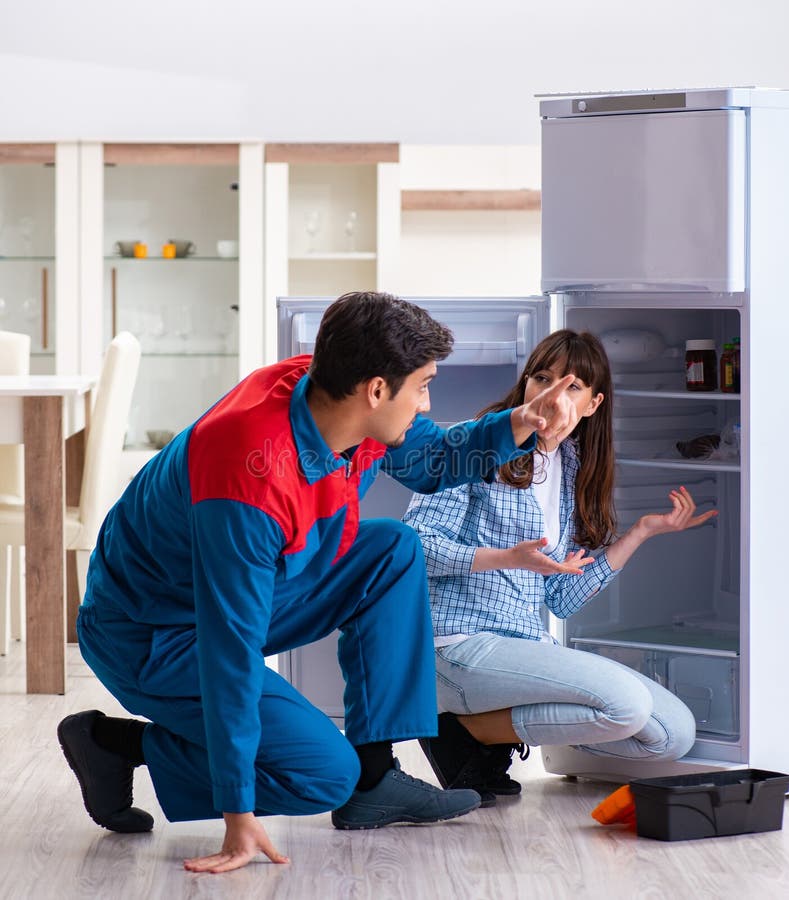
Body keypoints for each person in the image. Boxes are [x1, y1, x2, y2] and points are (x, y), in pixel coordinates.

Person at [57, 292, 580, 874]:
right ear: (377, 390)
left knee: (393, 551)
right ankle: (120, 749)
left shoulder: (339, 395)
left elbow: (430, 460)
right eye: (424, 387)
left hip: (240, 592)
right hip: (153, 633)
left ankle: (376, 781)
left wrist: (520, 422)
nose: (428, 402)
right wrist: (237, 811)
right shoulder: (247, 472)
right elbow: (229, 649)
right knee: (320, 775)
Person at [403, 329, 715, 806]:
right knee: (625, 704)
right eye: (543, 379)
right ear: (527, 385)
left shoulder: (571, 469)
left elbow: (561, 599)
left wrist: (641, 533)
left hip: (520, 645)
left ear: (592, 404)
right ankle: (460, 727)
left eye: (572, 387)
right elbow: (415, 548)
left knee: (674, 733)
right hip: (454, 643)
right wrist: (504, 559)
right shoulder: (477, 445)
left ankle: (470, 731)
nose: (552, 395)